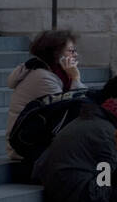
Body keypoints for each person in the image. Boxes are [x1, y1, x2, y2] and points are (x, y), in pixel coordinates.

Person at [32, 74, 117, 202]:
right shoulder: (104, 131)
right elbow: (112, 172)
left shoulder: (90, 119)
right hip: (77, 194)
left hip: (66, 188)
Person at [5, 29, 86, 161]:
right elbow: (71, 108)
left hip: (36, 136)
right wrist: (76, 78)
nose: (75, 55)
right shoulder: (43, 78)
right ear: (56, 53)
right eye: (71, 51)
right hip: (24, 144)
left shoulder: (57, 74)